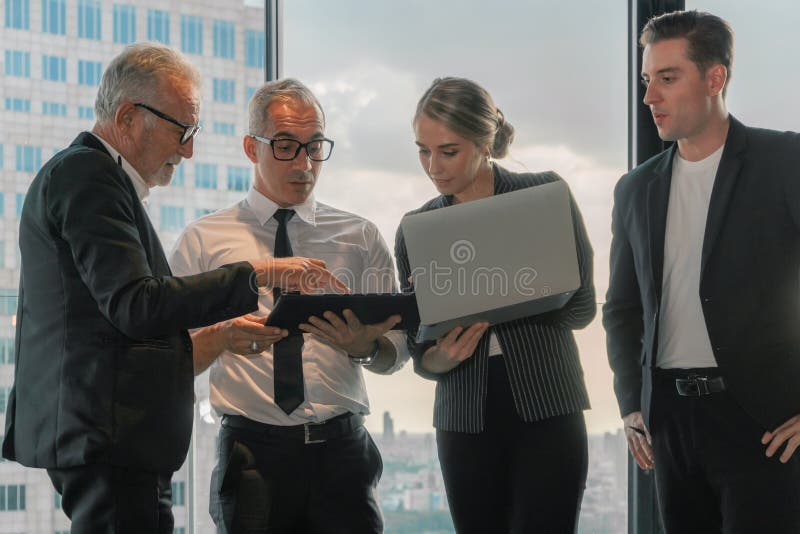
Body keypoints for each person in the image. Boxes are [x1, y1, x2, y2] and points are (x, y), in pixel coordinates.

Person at [1, 44, 343, 533]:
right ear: (127, 116)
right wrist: (259, 273)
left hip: (110, 437)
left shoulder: (94, 178)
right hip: (108, 436)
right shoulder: (89, 175)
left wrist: (220, 337)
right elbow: (137, 305)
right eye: (182, 130)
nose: (188, 150)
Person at [169, 78, 409, 533]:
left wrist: (367, 348)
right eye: (285, 146)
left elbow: (399, 346)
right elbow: (171, 358)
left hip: (343, 454)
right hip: (251, 454)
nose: (304, 163)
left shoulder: (360, 236)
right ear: (250, 147)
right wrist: (221, 338)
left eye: (315, 146)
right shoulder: (203, 241)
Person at [603, 10, 800, 533]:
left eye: (668, 78)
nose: (650, 98)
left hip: (764, 422)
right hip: (669, 423)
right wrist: (631, 404)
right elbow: (622, 309)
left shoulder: (786, 160)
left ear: (716, 78)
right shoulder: (635, 188)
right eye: (648, 81)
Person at [394, 77, 596, 533]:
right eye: (423, 151)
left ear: (484, 142)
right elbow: (417, 350)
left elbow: (582, 307)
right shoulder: (415, 228)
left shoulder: (545, 194)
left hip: (548, 405)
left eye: (448, 151)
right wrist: (438, 359)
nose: (433, 166)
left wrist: (509, 289)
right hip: (464, 417)